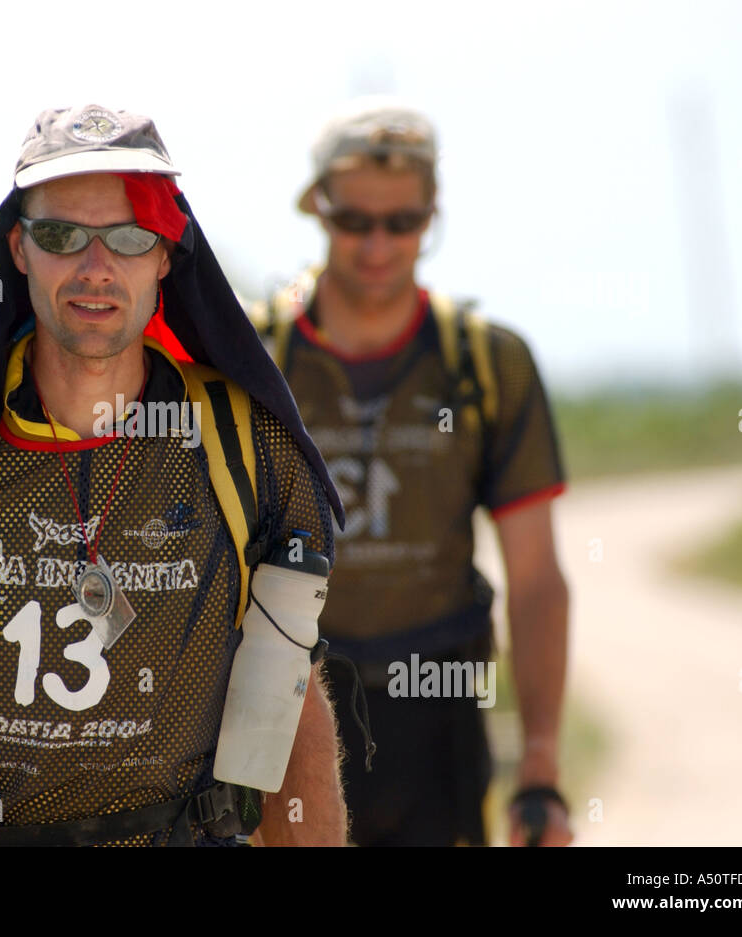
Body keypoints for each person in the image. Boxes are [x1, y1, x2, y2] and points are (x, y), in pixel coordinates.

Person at [0, 104, 350, 846]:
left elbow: (288, 711)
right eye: (60, 235)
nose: (95, 267)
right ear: (18, 247)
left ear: (168, 252)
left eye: (130, 236)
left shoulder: (248, 446)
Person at [252, 98, 572, 846]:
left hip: (436, 713)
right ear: (317, 210)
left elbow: (536, 578)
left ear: (432, 217)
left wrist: (543, 766)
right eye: (354, 221)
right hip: (288, 706)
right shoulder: (257, 357)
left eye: (402, 222)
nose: (377, 244)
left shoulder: (488, 364)